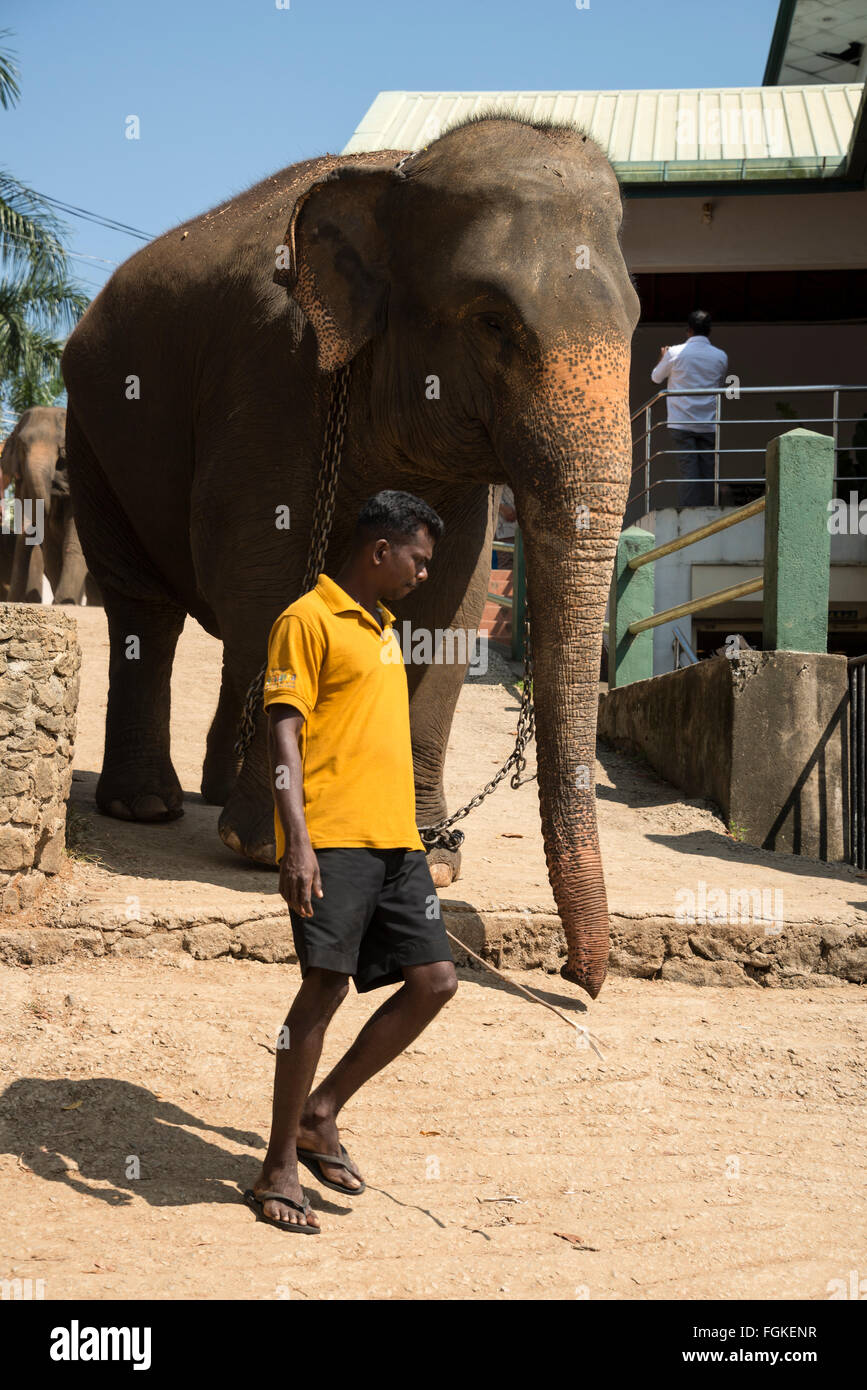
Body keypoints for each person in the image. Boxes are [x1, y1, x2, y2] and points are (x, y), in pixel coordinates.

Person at [245, 489, 457, 1233]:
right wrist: (295, 839)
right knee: (322, 989)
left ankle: (320, 1112)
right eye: (418, 560)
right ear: (379, 550)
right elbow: (281, 737)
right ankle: (275, 1165)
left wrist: (418, 835)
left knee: (434, 981)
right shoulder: (306, 619)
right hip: (330, 838)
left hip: (395, 842)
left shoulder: (384, 628)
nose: (423, 574)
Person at [651, 310, 728, 507]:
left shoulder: (674, 353)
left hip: (681, 421)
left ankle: (688, 511)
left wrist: (662, 357)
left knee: (689, 470)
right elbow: (719, 383)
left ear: (689, 330)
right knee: (709, 470)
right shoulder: (720, 356)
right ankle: (710, 510)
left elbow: (656, 377)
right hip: (709, 422)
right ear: (709, 331)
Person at [492, 483, 516, 569]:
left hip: (524, 528)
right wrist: (502, 507)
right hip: (505, 528)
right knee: (507, 564)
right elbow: (490, 491)